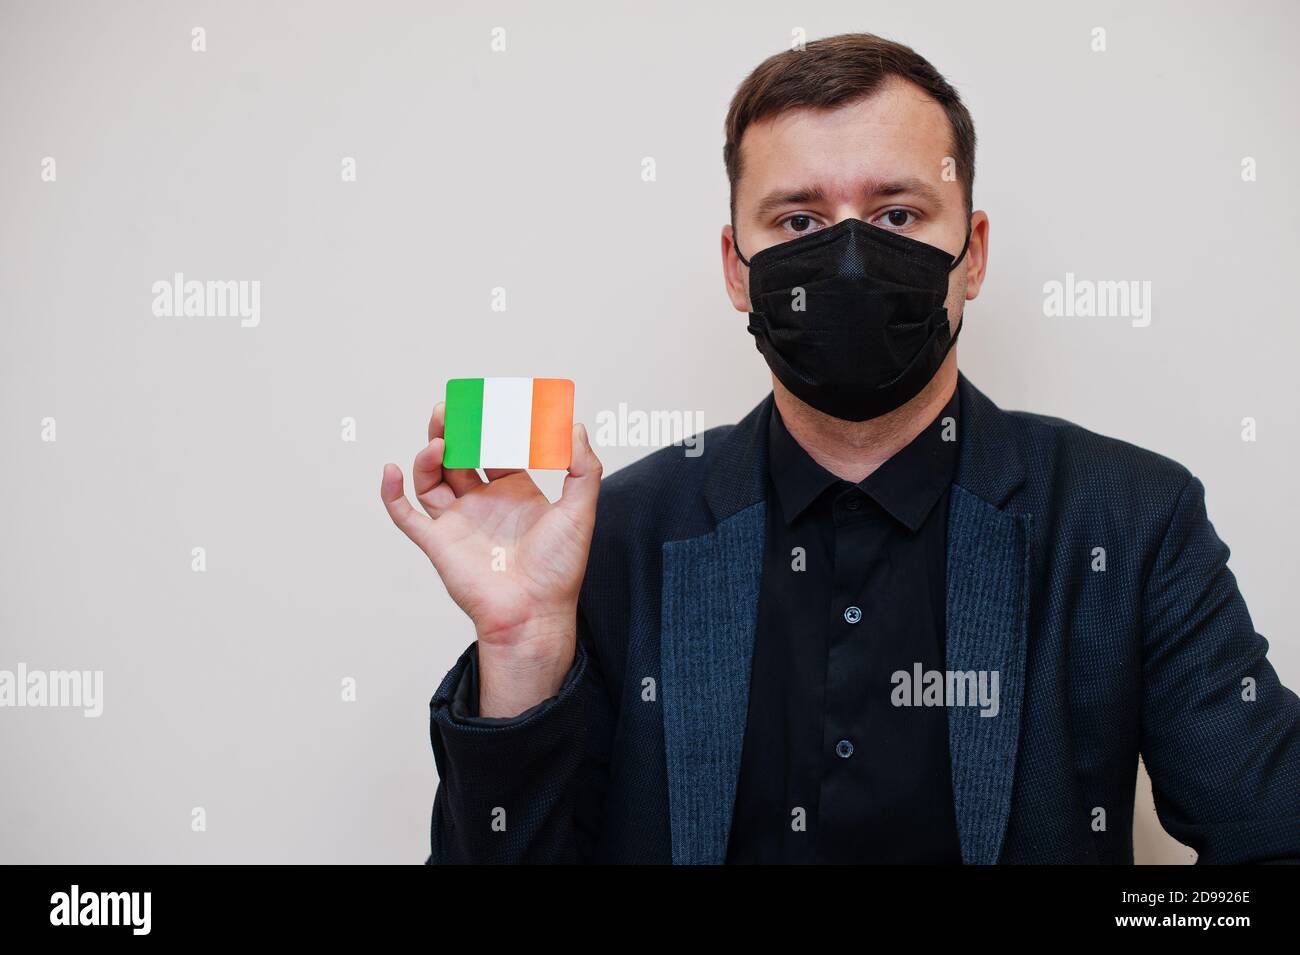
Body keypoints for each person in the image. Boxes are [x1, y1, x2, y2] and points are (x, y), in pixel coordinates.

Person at [380, 33, 1300, 864]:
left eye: (898, 215)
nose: (851, 259)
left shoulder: (1130, 519)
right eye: (799, 222)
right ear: (738, 270)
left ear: (972, 255)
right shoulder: (612, 537)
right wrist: (526, 647)